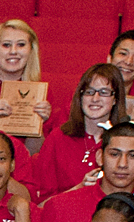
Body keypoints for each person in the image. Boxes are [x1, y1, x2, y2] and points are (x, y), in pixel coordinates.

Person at [32, 64, 123, 201]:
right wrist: (79, 189)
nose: (95, 99)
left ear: (115, 99)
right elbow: (41, 205)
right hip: (65, 218)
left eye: (104, 92)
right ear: (80, 97)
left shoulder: (127, 140)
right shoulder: (57, 138)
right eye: (89, 92)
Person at [0, 20, 51, 149]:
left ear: (31, 50)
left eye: (21, 45)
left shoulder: (40, 91)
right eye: (6, 45)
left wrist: (38, 125)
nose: (13, 51)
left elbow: (35, 155)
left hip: (22, 162)